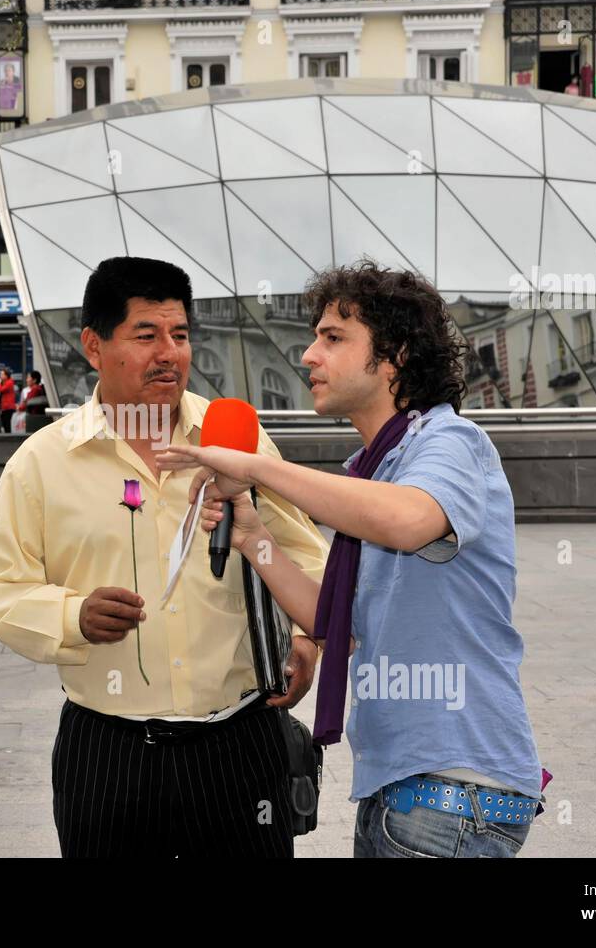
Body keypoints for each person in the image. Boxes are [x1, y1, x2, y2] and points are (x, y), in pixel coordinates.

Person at [157, 260, 544, 858]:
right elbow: (341, 626)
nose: (308, 355)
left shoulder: (448, 442)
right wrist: (254, 534)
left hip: (452, 791)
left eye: (334, 338)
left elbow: (410, 521)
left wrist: (259, 467)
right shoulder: (375, 469)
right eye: (314, 337)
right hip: (405, 791)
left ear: (396, 354)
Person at [0, 256, 330, 858]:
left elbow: (307, 555)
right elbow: (1, 595)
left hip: (239, 744)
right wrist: (73, 615)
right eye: (147, 335)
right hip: (106, 753)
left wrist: (306, 635)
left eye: (181, 335)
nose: (169, 353)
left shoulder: (238, 443)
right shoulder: (41, 463)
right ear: (93, 345)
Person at [0, 366, 16, 432]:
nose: (0, 376)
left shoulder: (10, 382)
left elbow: (1, 389)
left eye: (2, 374)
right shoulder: (3, 382)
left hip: (9, 407)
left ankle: (9, 440)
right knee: (4, 424)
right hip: (4, 407)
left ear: (6, 375)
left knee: (7, 424)